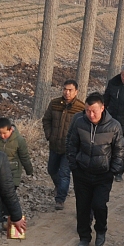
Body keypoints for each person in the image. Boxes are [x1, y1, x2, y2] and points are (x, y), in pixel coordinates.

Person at [65, 93, 124, 246]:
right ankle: (84, 236)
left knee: (99, 205)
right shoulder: (79, 122)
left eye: (94, 111)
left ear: (102, 108)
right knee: (82, 207)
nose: (90, 115)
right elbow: (71, 144)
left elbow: (120, 150)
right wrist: (73, 165)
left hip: (103, 174)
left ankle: (101, 230)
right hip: (82, 172)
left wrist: (113, 170)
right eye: (87, 111)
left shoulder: (114, 126)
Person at [40, 80, 85, 208]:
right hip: (54, 144)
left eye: (70, 90)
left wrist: (77, 143)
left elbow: (83, 127)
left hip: (69, 148)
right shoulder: (54, 104)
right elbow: (46, 120)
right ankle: (59, 186)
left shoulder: (81, 108)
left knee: (64, 173)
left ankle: (60, 199)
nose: (67, 92)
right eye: (65, 89)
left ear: (76, 92)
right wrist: (49, 134)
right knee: (52, 169)